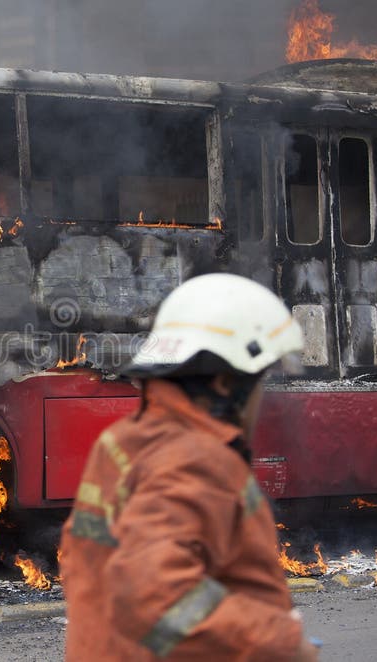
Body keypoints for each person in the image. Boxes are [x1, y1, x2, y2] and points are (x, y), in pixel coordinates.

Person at [60, 273, 320, 661]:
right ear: (224, 383)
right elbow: (153, 594)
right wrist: (279, 643)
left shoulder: (122, 442)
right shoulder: (195, 458)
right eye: (259, 381)